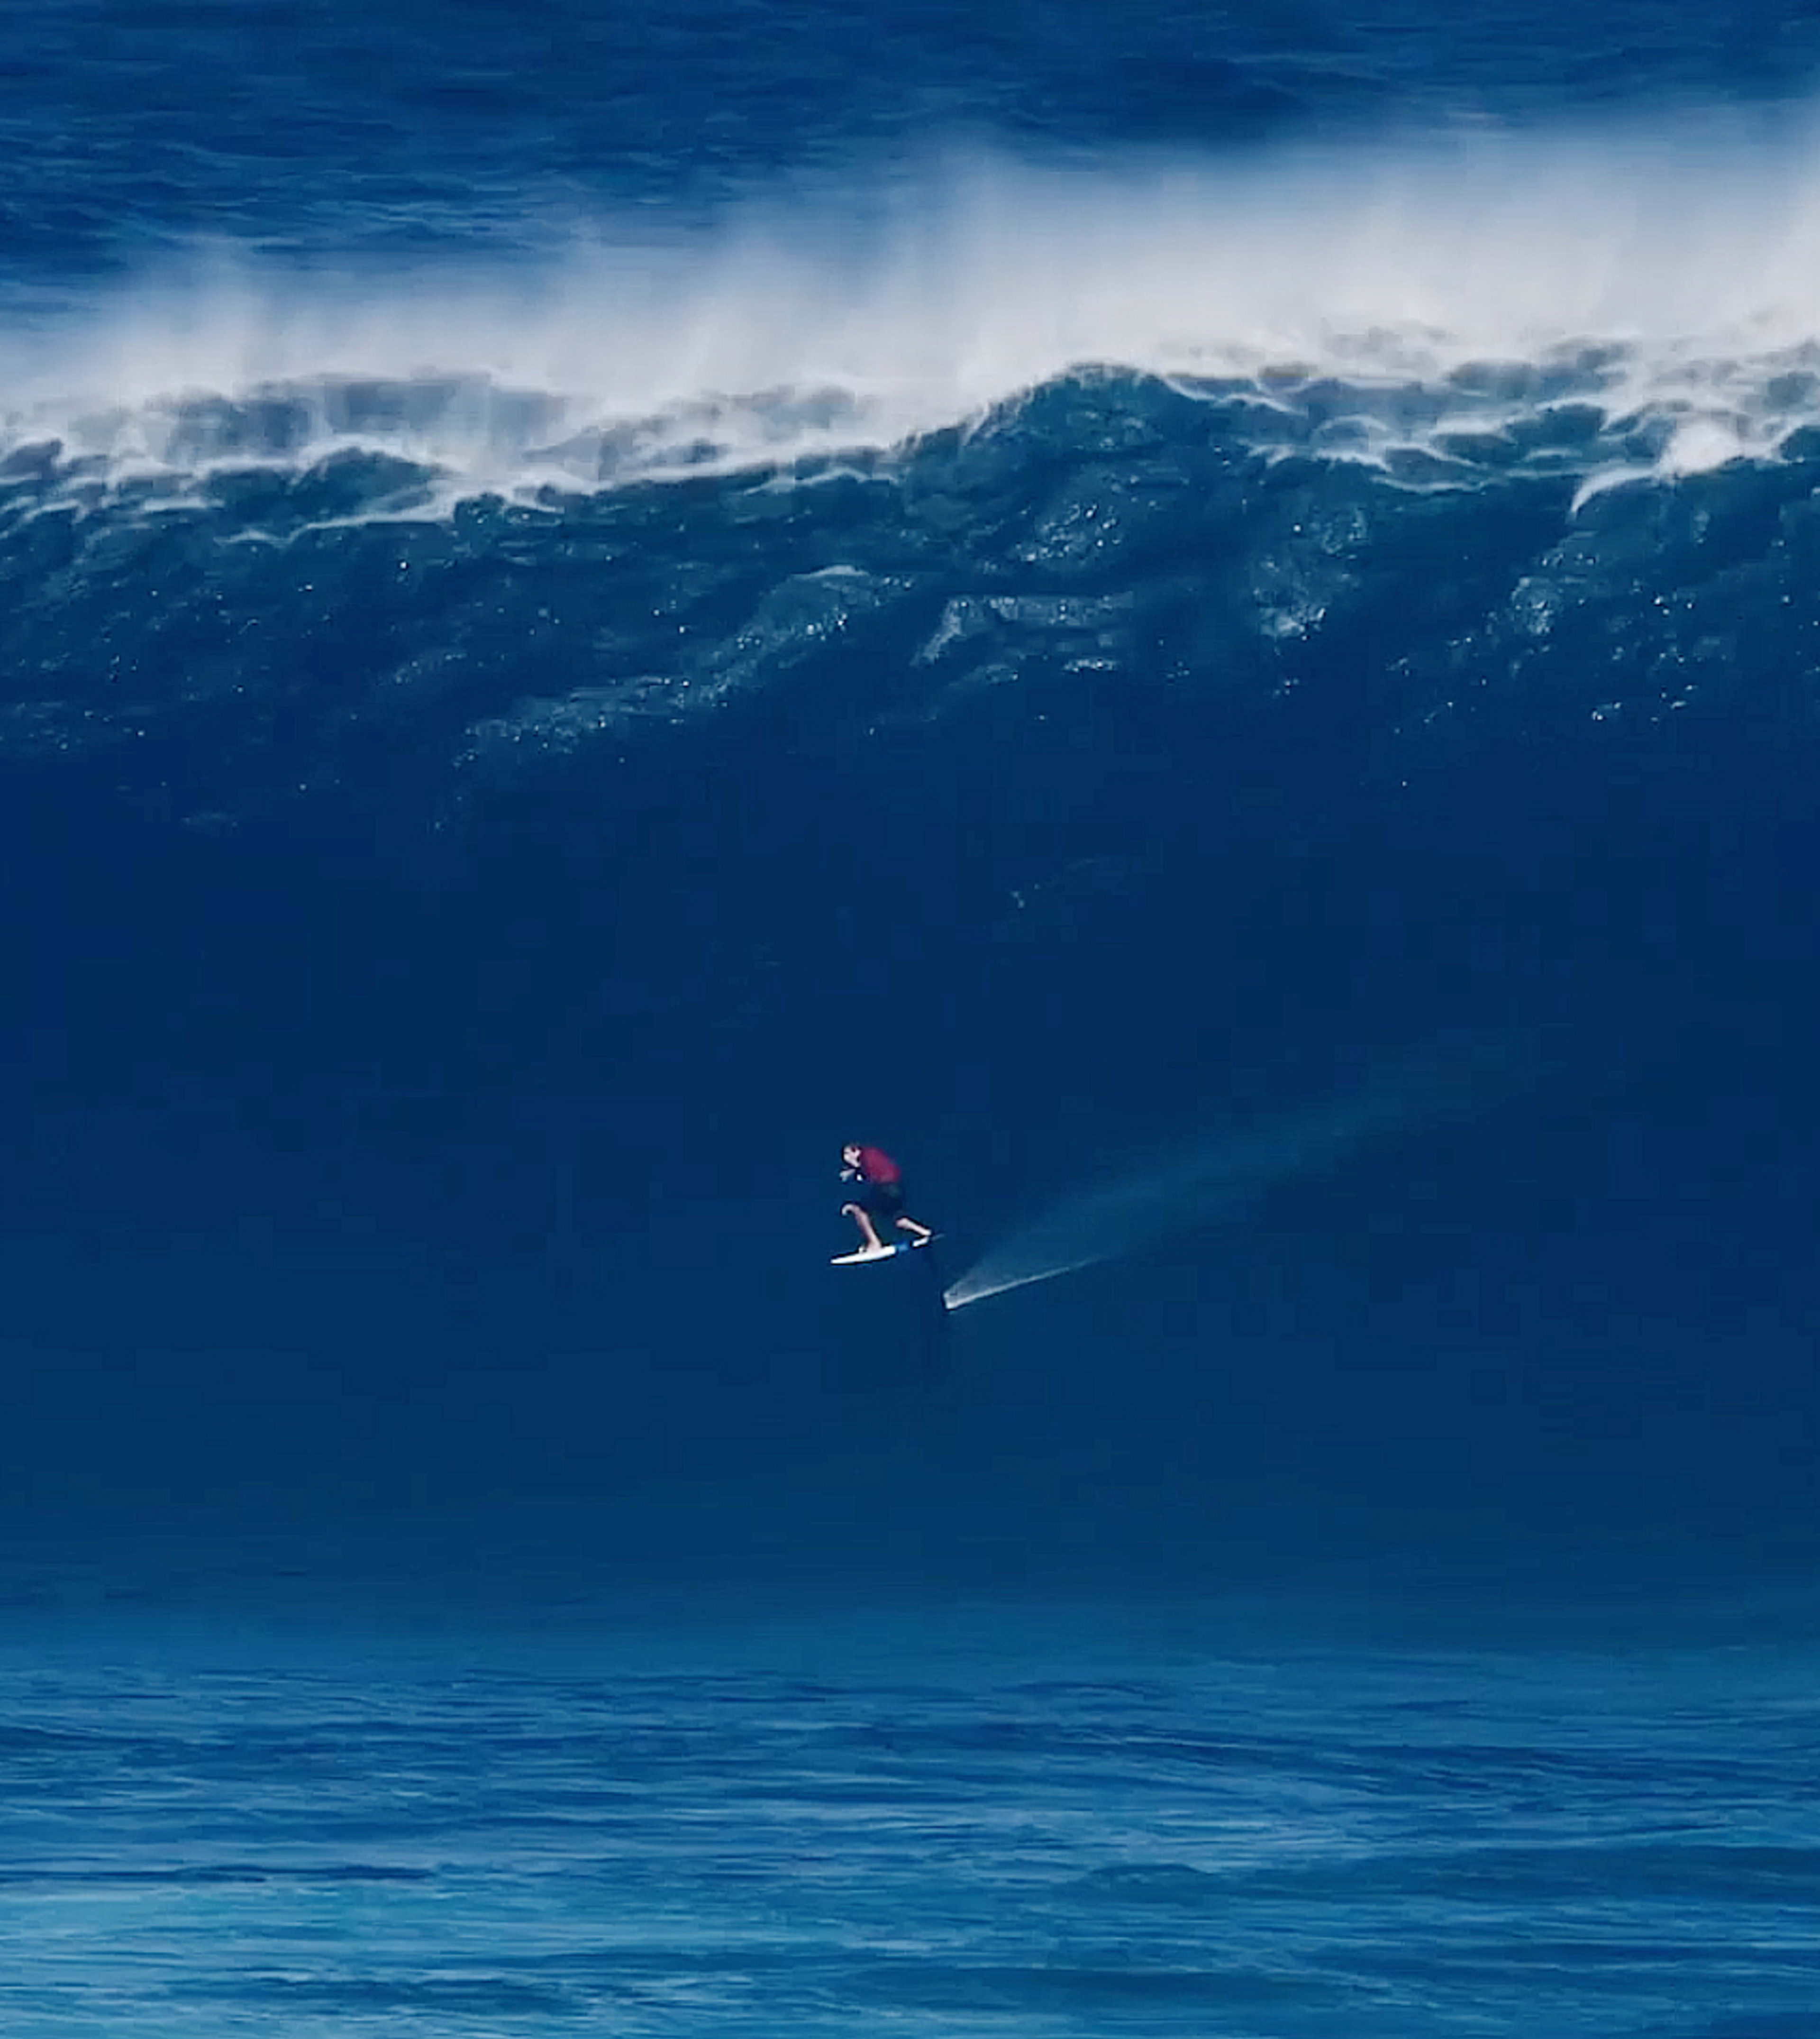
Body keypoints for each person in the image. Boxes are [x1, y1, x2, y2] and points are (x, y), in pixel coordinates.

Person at [840, 1142, 935, 1253]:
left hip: (887, 1188)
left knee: (858, 1210)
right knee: (896, 1218)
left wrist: (857, 1171)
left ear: (856, 1151)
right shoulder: (872, 1153)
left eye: (847, 1154)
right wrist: (856, 1171)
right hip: (898, 1188)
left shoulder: (867, 1158)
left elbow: (871, 1173)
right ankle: (925, 1232)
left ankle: (874, 1244)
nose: (846, 1158)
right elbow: (876, 1168)